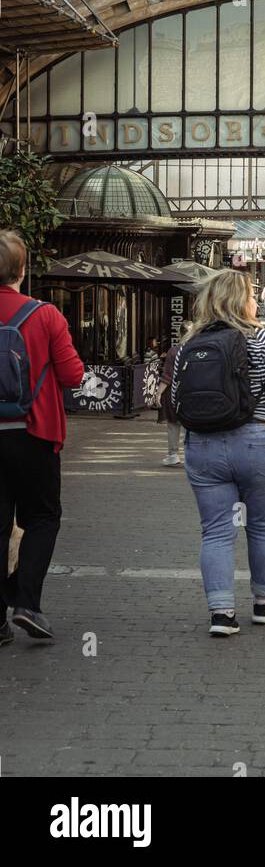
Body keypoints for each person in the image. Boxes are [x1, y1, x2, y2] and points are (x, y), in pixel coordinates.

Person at [171, 270, 265, 636]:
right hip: (260, 443)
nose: (257, 301)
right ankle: (263, 602)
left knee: (216, 532)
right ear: (242, 301)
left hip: (205, 446)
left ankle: (221, 613)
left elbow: (176, 400)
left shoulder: (189, 343)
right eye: (252, 296)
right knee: (263, 525)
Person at [0, 231, 85, 643]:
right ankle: (26, 603)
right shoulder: (45, 315)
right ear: (21, 270)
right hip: (34, 432)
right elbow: (72, 375)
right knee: (42, 517)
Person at [157, 323, 190, 466]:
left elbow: (167, 376)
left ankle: (173, 454)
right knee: (191, 426)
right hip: (193, 393)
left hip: (174, 393)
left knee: (173, 424)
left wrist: (158, 393)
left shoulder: (173, 351)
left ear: (179, 334)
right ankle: (191, 455)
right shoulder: (199, 350)